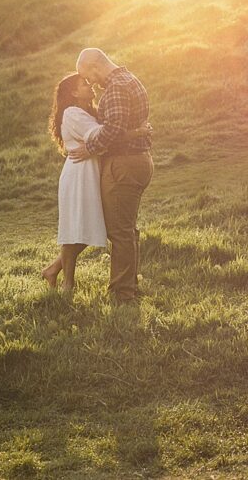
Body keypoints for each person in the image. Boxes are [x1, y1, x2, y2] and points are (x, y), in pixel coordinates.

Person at [67, 48, 154, 304]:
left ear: (95, 66)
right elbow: (126, 125)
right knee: (126, 228)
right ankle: (128, 286)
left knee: (120, 232)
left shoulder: (115, 88)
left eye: (88, 76)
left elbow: (114, 129)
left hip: (123, 165)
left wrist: (89, 148)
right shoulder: (131, 79)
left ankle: (122, 294)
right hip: (139, 161)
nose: (91, 82)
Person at [40, 73, 110, 293]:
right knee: (77, 228)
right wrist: (133, 131)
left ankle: (53, 269)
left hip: (88, 172)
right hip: (79, 174)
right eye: (84, 84)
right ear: (73, 92)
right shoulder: (72, 113)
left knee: (91, 226)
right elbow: (99, 135)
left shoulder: (88, 111)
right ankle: (68, 284)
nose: (90, 86)